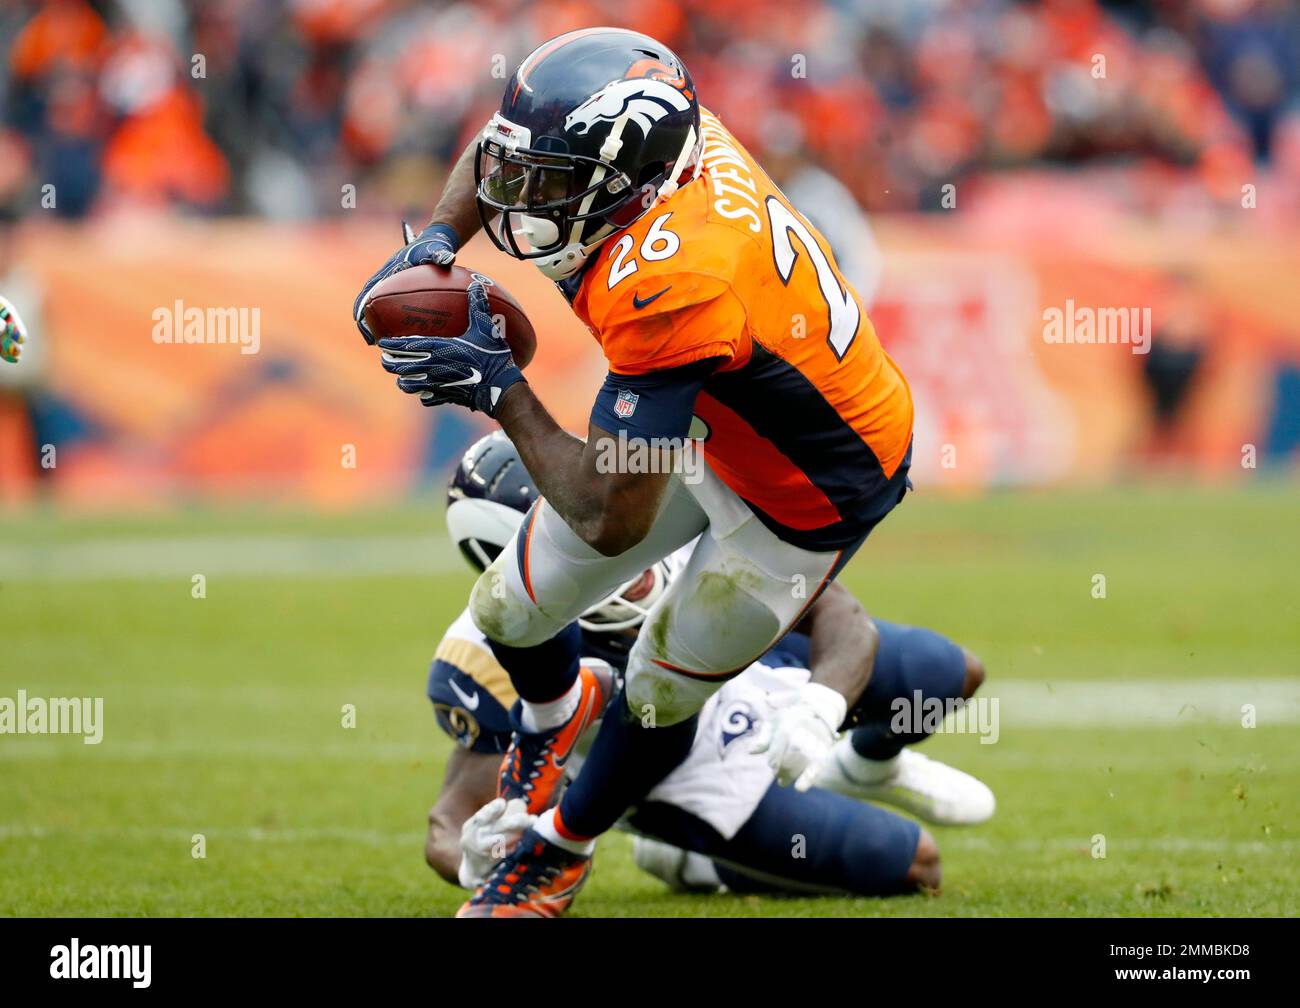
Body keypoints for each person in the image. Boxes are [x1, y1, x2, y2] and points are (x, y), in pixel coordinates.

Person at [353, 28, 914, 917]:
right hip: (714, 414)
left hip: (805, 490)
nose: (518, 197)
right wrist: (432, 248)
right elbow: (498, 151)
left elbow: (608, 514)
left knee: (656, 688)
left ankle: (558, 854)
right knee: (508, 607)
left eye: (549, 181)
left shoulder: (674, 280)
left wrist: (496, 385)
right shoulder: (654, 148)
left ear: (627, 184)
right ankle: (552, 721)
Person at [424, 434, 992, 912]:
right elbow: (451, 819)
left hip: (744, 667)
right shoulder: (489, 652)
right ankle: (695, 859)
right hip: (689, 776)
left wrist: (822, 707)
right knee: (918, 863)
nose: (596, 538)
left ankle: (865, 766)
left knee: (948, 675)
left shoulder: (664, 501)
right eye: (566, 535)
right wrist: (480, 861)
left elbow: (837, 611)